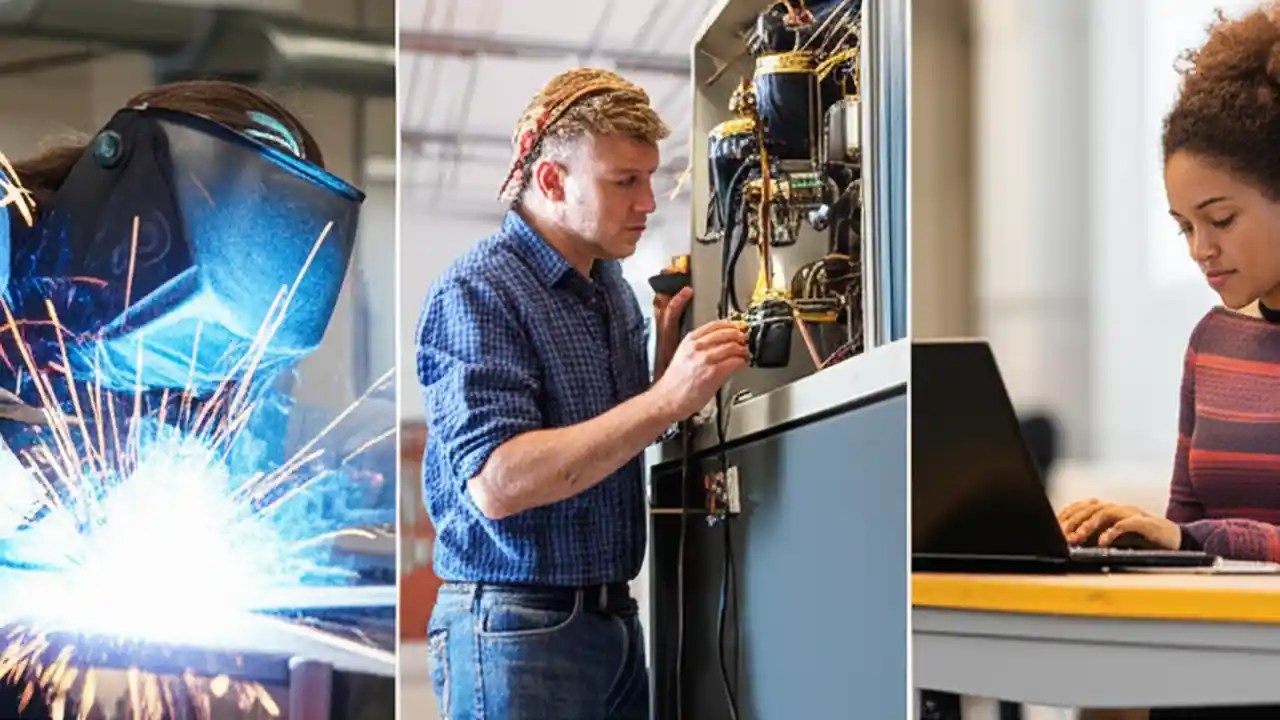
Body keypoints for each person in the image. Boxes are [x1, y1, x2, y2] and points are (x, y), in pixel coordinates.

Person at [417, 67, 749, 719]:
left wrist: (664, 371)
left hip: (612, 619)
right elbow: (499, 482)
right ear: (552, 180)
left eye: (649, 179)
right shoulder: (479, 290)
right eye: (624, 181)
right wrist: (665, 398)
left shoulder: (610, 289)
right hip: (518, 631)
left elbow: (608, 441)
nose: (647, 202)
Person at [1057, 8, 1280, 717]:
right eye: (1184, 227)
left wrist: (1186, 540)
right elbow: (1185, 520)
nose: (1199, 250)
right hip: (1208, 663)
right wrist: (1128, 538)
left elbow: (1193, 533)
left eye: (1221, 220)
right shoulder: (1211, 341)